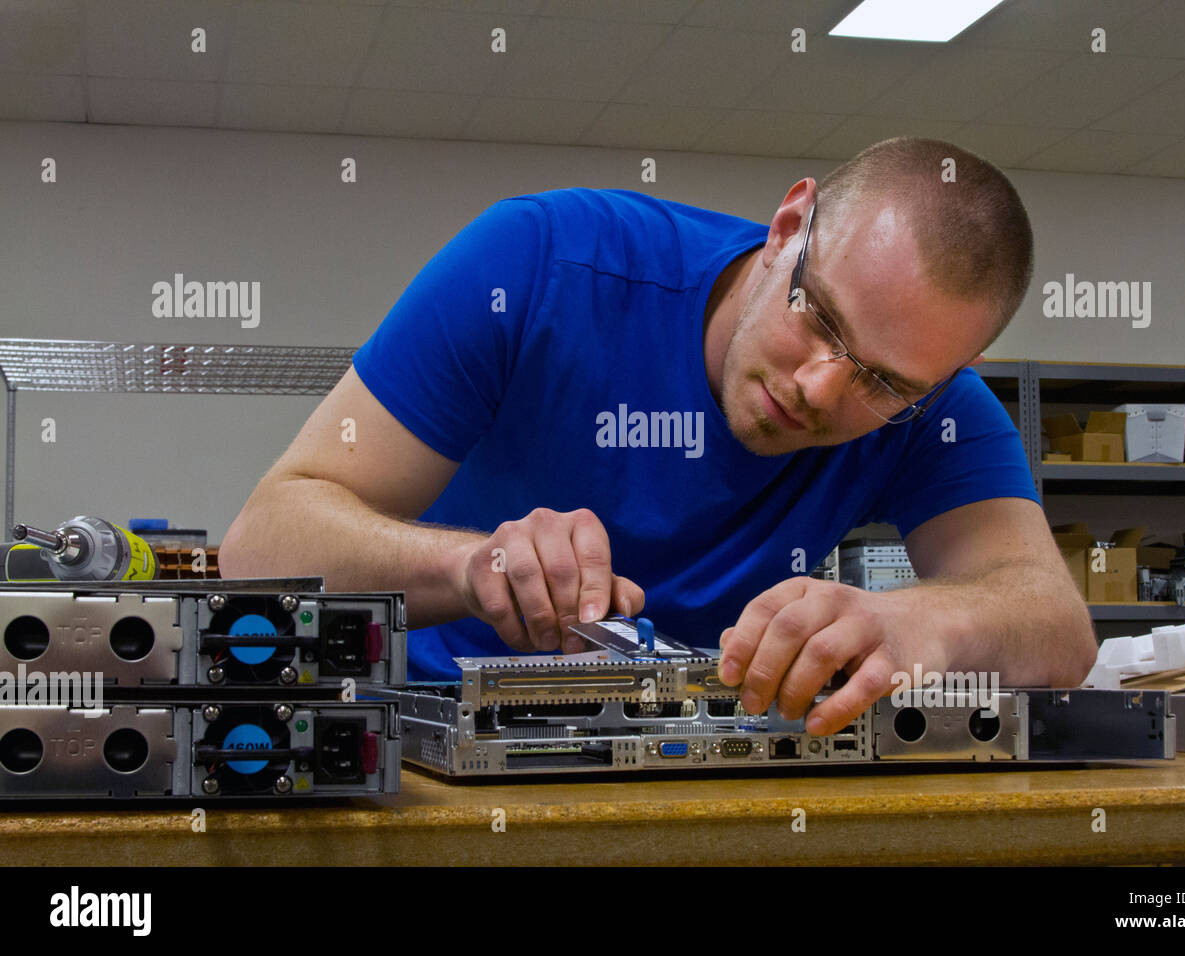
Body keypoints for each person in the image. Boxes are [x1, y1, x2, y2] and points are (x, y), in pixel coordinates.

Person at [221, 137, 1097, 735]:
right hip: (439, 751)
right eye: (818, 316)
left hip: (697, 763)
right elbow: (262, 547)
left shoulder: (932, 399)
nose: (819, 387)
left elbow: (1056, 626)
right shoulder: (536, 264)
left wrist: (924, 624)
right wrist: (471, 566)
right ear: (789, 225)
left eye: (881, 381)